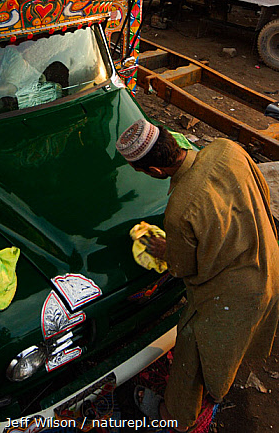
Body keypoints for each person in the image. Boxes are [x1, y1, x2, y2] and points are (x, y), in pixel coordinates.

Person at [116, 119, 279, 432]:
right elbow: (258, 190)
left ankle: (175, 416)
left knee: (194, 342)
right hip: (268, 260)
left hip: (239, 291)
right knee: (234, 341)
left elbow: (181, 268)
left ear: (154, 172)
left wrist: (165, 249)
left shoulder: (180, 207)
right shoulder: (226, 148)